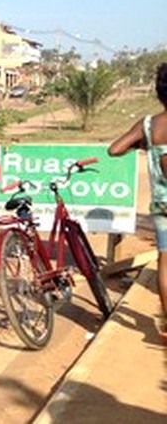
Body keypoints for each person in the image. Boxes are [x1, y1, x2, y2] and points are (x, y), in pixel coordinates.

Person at [107, 61, 167, 334]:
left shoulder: (148, 124)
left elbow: (115, 149)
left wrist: (143, 144)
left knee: (165, 263)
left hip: (162, 205)